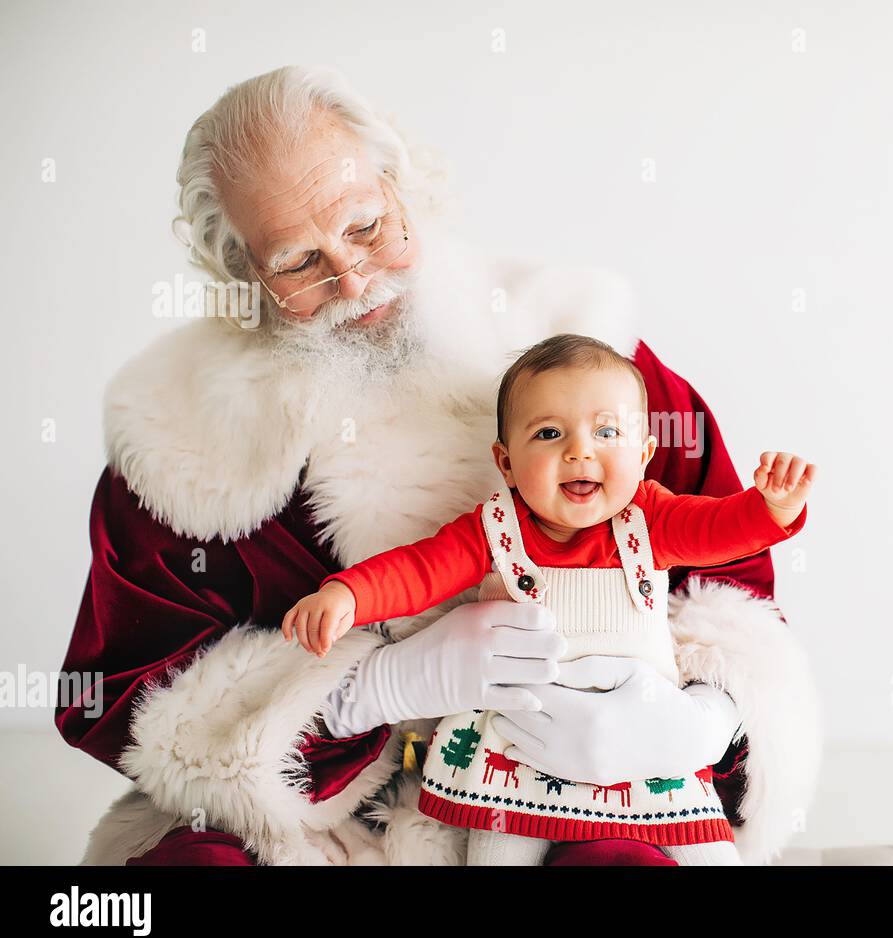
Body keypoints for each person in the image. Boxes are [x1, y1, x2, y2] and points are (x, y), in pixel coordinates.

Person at [55, 64, 822, 866]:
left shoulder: (586, 362)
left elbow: (735, 588)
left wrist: (699, 719)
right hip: (315, 835)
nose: (353, 281)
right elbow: (128, 691)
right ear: (245, 275)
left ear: (399, 184)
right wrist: (368, 691)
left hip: (565, 799)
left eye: (364, 226)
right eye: (297, 263)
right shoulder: (178, 440)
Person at [283, 333, 815, 865]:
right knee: (498, 853)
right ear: (507, 461)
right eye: (549, 433)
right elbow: (419, 569)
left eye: (607, 431)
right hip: (522, 751)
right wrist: (349, 593)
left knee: (714, 856)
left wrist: (771, 509)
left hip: (650, 750)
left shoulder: (651, 520)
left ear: (645, 454)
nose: (579, 450)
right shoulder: (495, 529)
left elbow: (719, 530)